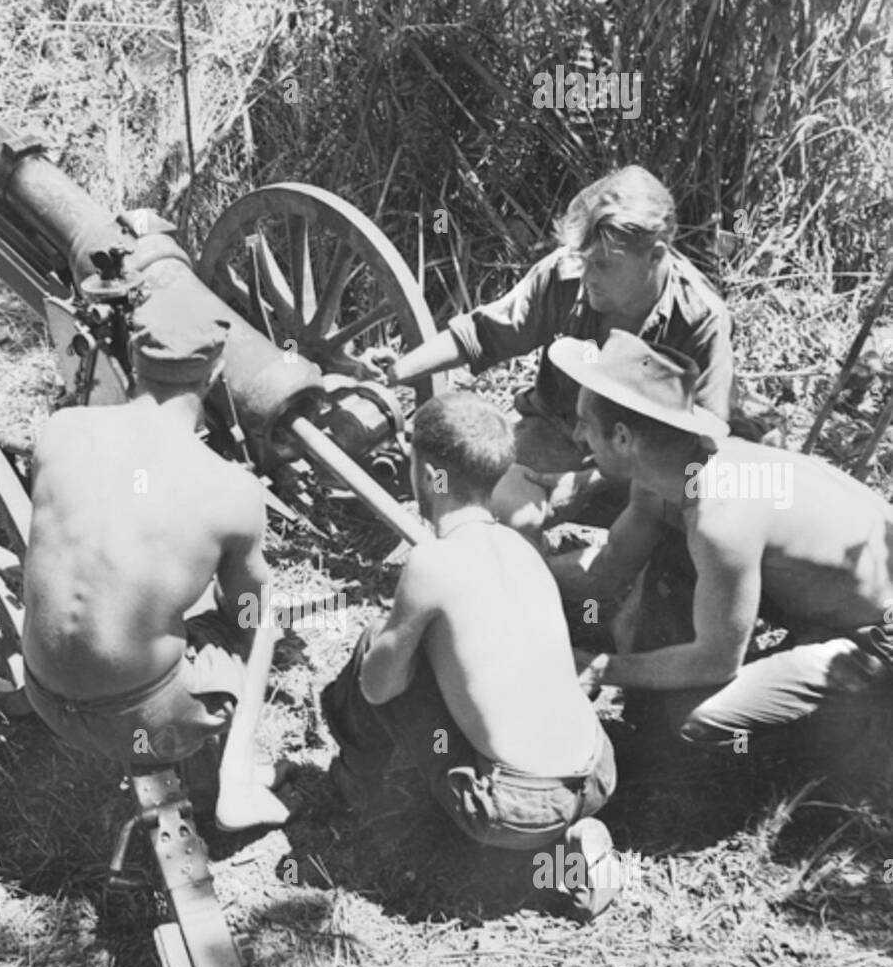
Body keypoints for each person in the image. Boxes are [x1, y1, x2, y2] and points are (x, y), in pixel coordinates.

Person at [320, 392, 621, 917]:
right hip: (596, 771)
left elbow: (379, 688)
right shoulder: (523, 552)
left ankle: (358, 786)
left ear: (427, 474)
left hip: (516, 807)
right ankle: (572, 842)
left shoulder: (434, 562)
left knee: (380, 646)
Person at [545, 330, 893, 757]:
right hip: (827, 595)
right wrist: (519, 559)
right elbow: (605, 572)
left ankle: (846, 729)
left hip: (875, 634)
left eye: (585, 423)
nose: (578, 436)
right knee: (650, 593)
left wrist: (601, 670)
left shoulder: (721, 515)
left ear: (622, 438)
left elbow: (714, 661)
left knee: (698, 720)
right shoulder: (671, 476)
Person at [22, 299, 289, 831]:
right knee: (265, 619)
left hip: (44, 696)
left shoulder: (61, 429)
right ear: (215, 373)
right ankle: (235, 781)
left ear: (133, 361)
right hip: (142, 720)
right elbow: (246, 616)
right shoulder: (233, 492)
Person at [382, 166, 734, 541]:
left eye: (601, 265)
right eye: (582, 260)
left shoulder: (701, 319)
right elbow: (481, 334)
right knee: (500, 510)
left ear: (655, 255)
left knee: (703, 520)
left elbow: (705, 449)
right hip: (558, 436)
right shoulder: (564, 274)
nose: (586, 277)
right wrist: (395, 373)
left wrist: (591, 481)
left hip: (643, 465)